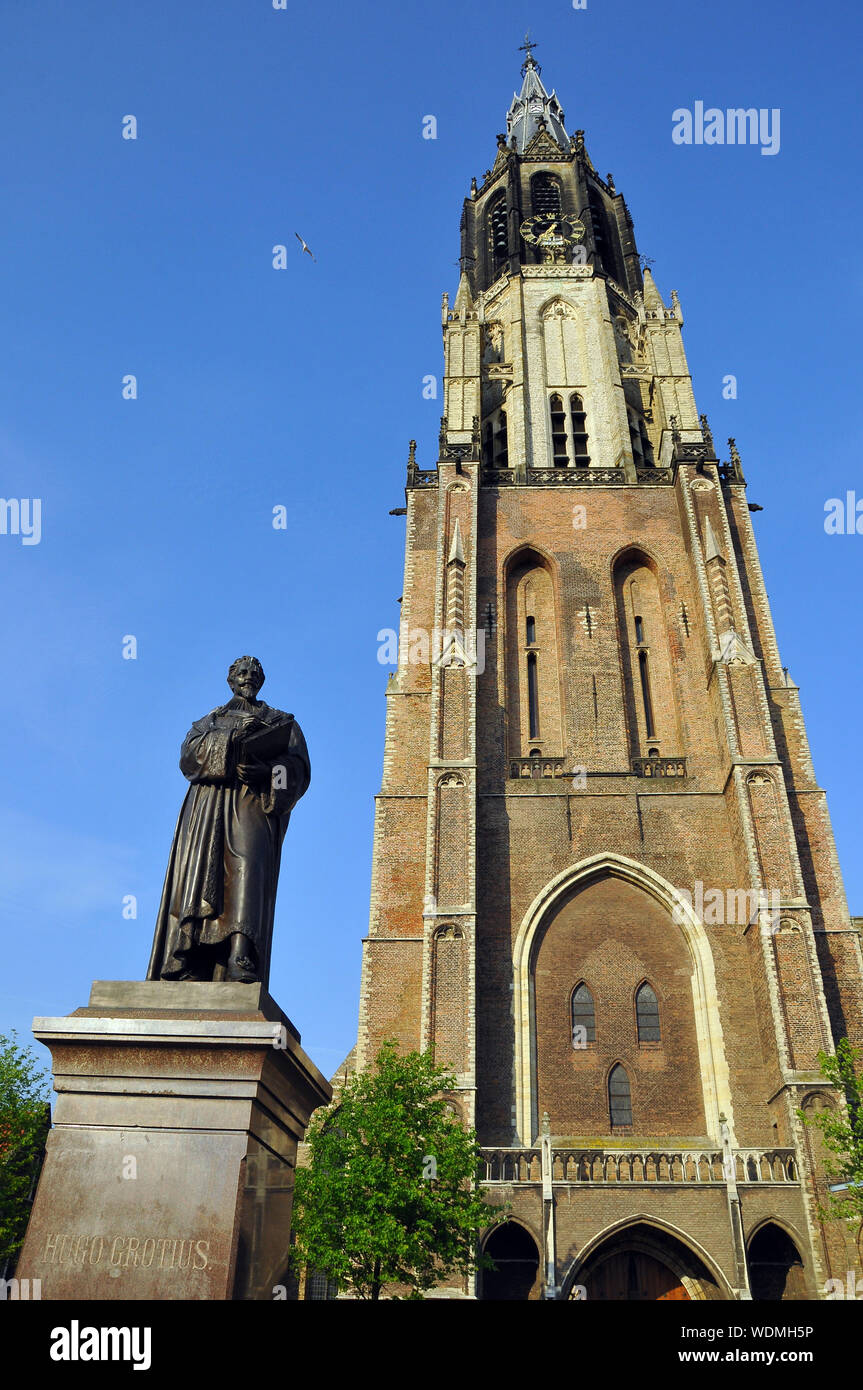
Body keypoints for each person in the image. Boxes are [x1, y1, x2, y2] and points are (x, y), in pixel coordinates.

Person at [147, 656, 310, 985]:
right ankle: (190, 956)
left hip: (252, 802)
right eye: (242, 672)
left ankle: (240, 954)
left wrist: (268, 771)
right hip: (208, 805)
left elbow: (298, 771)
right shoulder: (209, 720)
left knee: (247, 869)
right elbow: (188, 758)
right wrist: (232, 744)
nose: (248, 677)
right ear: (230, 679)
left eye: (254, 673)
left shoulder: (281, 722)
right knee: (198, 876)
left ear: (262, 680)